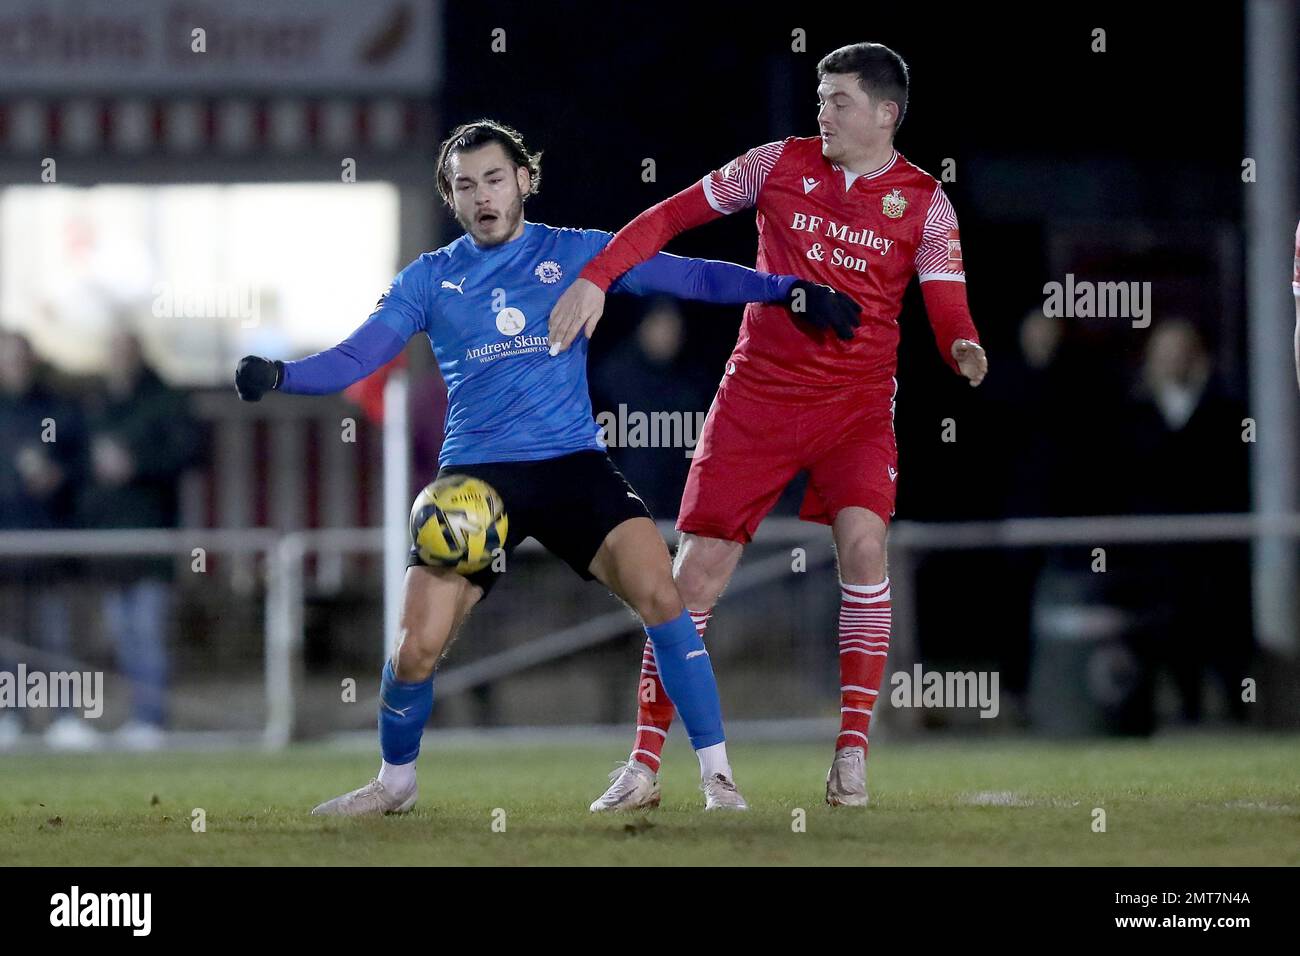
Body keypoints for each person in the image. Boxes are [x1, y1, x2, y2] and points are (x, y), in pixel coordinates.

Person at [234, 119, 861, 815]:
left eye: (495, 179)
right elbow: (355, 359)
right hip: (475, 482)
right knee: (416, 649)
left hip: (572, 467)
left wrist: (788, 291)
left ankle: (717, 777)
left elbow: (685, 275)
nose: (483, 197)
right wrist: (281, 374)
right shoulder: (432, 278)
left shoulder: (578, 254)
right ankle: (395, 782)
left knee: (664, 596)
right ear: (451, 196)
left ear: (524, 181)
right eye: (465, 185)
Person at [550, 43, 988, 809]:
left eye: (840, 100)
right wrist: (597, 275)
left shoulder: (926, 201)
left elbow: (946, 297)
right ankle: (644, 762)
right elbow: (668, 215)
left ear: (886, 114)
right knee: (693, 577)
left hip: (856, 410)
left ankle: (852, 752)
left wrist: (962, 345)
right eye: (820, 97)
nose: (823, 112)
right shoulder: (773, 166)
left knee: (863, 545)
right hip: (757, 400)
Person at [76, 328, 201, 748]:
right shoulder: (95, 403)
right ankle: (139, 715)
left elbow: (191, 452)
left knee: (147, 631)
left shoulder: (166, 398)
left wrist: (136, 464)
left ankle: (152, 719)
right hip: (107, 541)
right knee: (122, 634)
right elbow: (75, 461)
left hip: (152, 538)